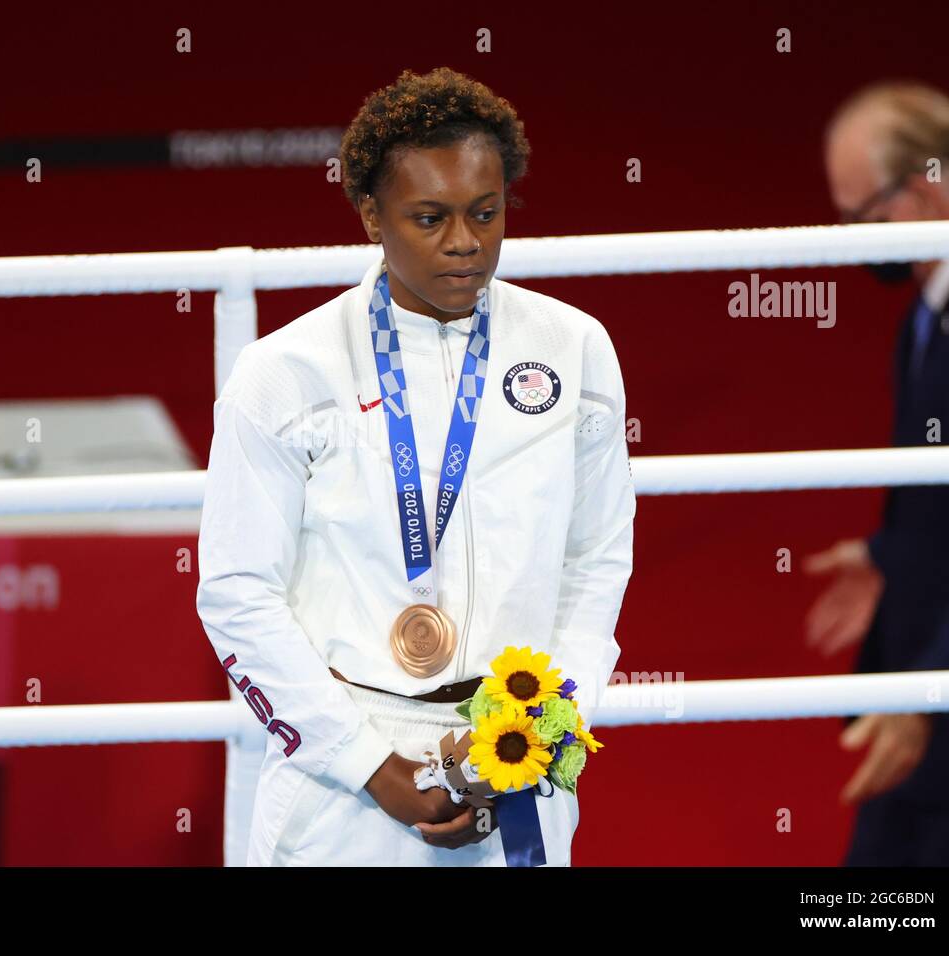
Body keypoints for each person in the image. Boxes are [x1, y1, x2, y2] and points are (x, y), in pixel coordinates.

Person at [196, 66, 635, 866]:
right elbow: (236, 592)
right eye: (429, 217)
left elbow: (596, 560)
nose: (464, 242)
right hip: (343, 780)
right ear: (371, 214)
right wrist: (374, 769)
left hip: (515, 760)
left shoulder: (572, 349)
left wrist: (536, 734)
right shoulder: (285, 372)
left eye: (486, 213)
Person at [807, 80, 949, 865]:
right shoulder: (934, 307)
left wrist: (930, 696)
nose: (855, 237)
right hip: (940, 677)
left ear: (924, 187)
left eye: (864, 213)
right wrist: (888, 554)